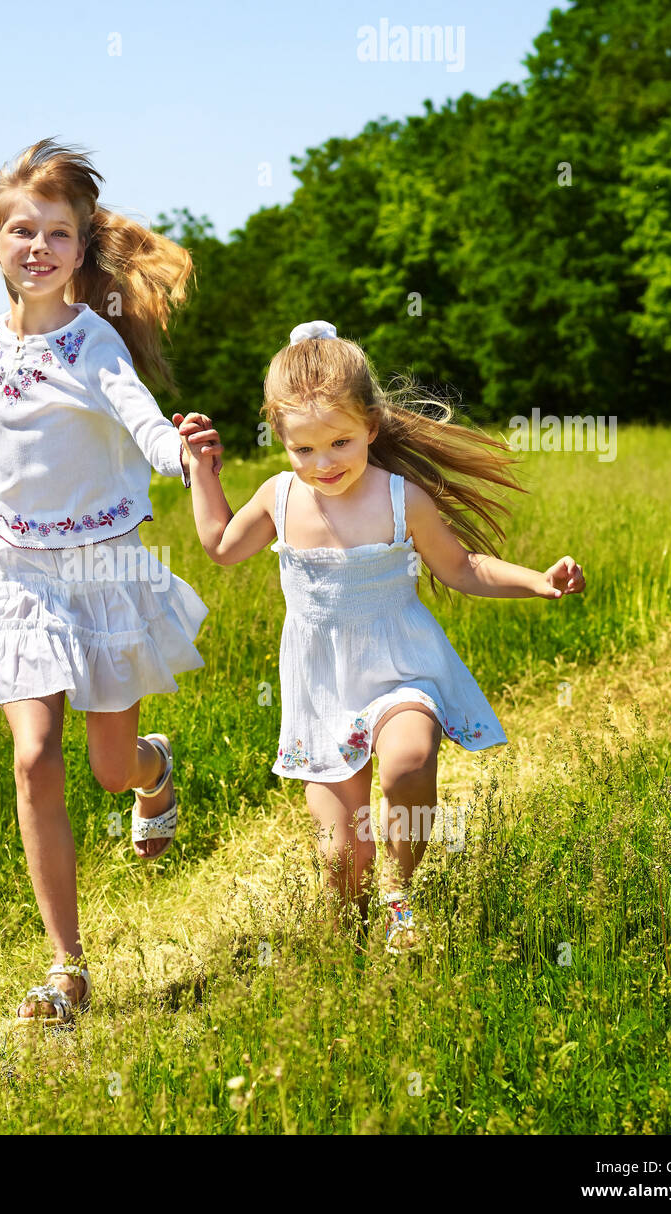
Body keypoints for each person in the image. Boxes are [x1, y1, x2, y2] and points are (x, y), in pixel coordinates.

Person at [180, 320, 585, 953]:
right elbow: (222, 547)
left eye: (340, 442)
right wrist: (201, 469)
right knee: (343, 861)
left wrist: (539, 581)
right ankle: (354, 934)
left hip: (402, 667)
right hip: (322, 689)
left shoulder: (401, 499)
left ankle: (404, 891)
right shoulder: (280, 498)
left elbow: (463, 568)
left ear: (370, 425)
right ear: (279, 438)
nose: (324, 464)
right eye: (303, 449)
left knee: (408, 761)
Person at [0, 139, 218, 1021]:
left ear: (79, 246)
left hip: (104, 568)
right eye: (20, 231)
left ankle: (154, 771)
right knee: (34, 757)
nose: (38, 246)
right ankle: (66, 966)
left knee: (108, 769)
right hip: (21, 572)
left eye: (56, 232)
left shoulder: (94, 339)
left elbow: (140, 419)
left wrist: (182, 454)